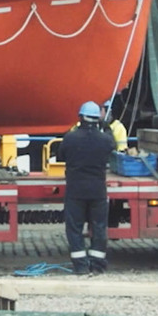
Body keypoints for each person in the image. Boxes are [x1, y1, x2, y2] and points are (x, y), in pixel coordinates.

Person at [53, 100, 115, 275]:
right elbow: (113, 147)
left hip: (75, 191)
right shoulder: (104, 139)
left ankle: (80, 266)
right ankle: (97, 265)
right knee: (99, 227)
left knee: (74, 228)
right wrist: (106, 128)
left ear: (80, 117)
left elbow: (61, 156)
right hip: (98, 191)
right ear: (98, 118)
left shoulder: (70, 138)